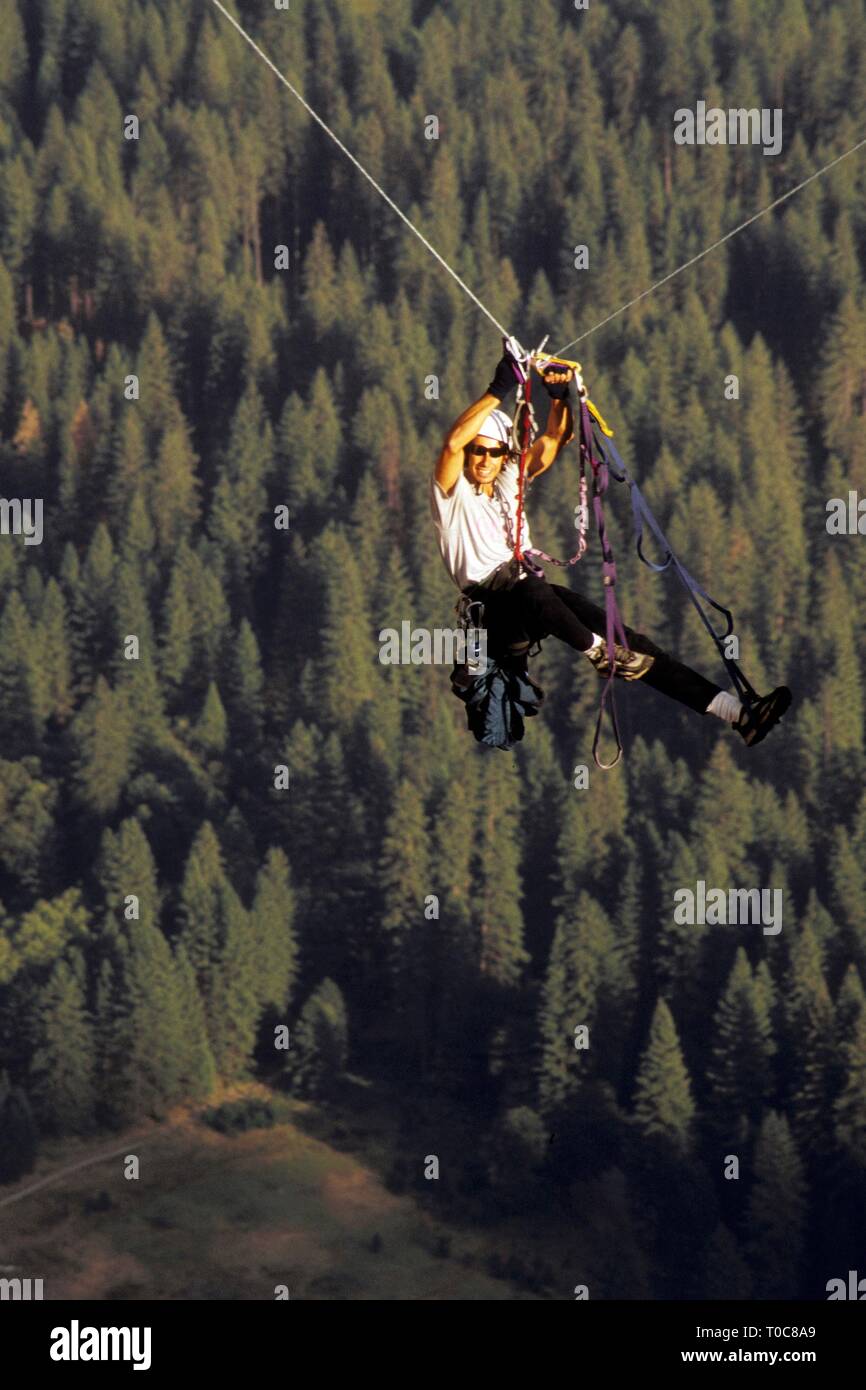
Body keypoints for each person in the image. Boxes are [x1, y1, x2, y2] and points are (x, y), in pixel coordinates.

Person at [429, 350, 791, 747]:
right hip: (496, 609)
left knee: (629, 641)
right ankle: (600, 653)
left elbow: (552, 440)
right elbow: (451, 445)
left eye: (493, 451)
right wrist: (501, 386)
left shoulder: (506, 483)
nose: (483, 458)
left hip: (528, 595)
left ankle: (738, 713)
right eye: (477, 450)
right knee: (534, 593)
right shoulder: (451, 493)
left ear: (504, 456)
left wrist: (557, 396)